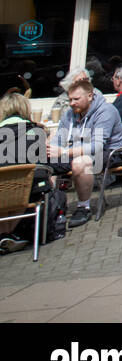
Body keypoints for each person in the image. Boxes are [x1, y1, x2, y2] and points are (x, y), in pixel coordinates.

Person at [46, 71, 122, 228]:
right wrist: (50, 148)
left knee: (80, 163)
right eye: (70, 99)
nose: (72, 103)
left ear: (90, 96)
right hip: (76, 151)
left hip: (110, 153)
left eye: (76, 99)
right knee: (42, 164)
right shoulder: (70, 114)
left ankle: (84, 207)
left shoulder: (105, 111)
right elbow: (60, 140)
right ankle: (49, 207)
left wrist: (62, 152)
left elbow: (97, 146)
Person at [0, 91, 53, 253]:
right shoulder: (35, 132)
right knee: (32, 183)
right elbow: (43, 164)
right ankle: (9, 233)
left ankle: (4, 234)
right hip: (22, 191)